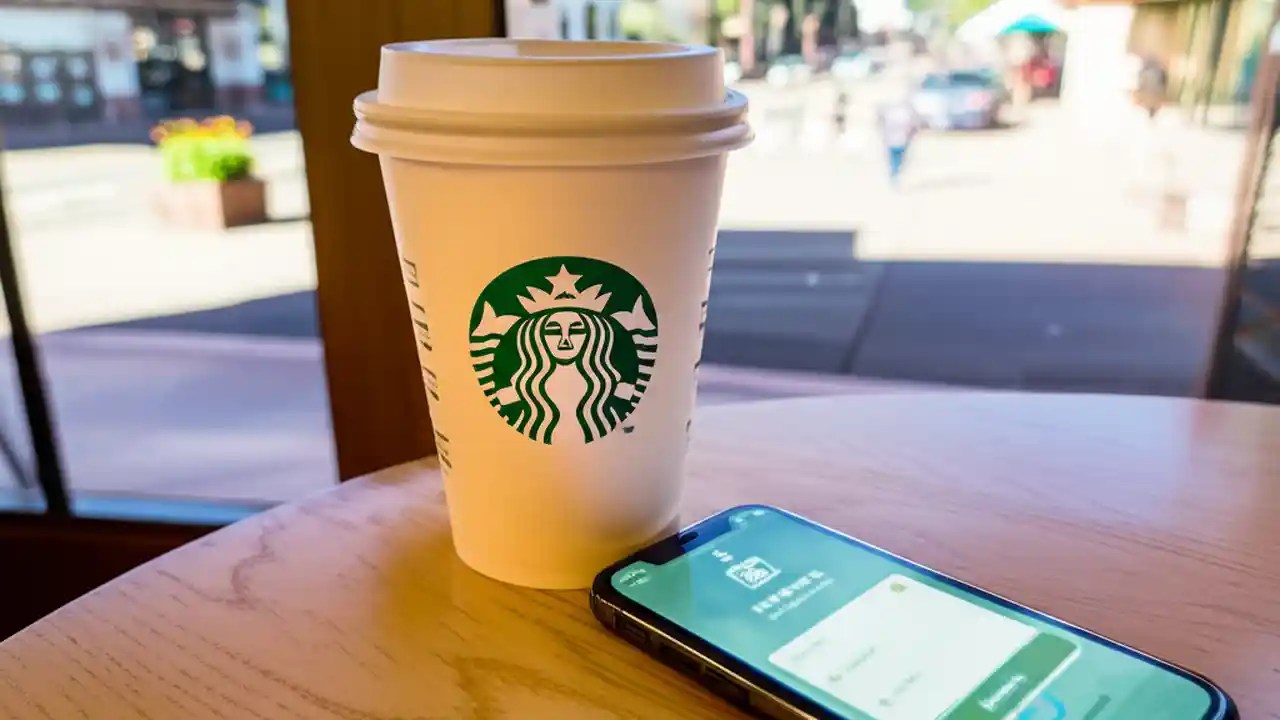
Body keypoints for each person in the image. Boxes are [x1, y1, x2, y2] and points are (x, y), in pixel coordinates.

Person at [878, 99, 919, 187]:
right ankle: (895, 173)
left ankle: (894, 173)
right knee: (898, 158)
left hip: (894, 140)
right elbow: (912, 127)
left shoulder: (891, 114)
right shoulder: (905, 113)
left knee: (895, 157)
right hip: (900, 140)